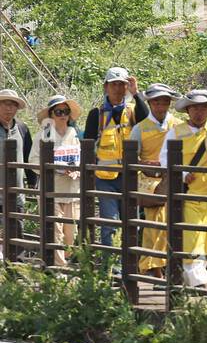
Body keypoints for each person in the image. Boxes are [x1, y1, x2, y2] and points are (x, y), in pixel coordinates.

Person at [160, 89, 207, 288]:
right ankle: (198, 280)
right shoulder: (176, 132)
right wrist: (182, 173)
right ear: (188, 110)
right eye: (195, 107)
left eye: (203, 107)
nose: (199, 112)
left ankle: (190, 278)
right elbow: (164, 158)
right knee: (191, 236)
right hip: (188, 193)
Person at [82, 67, 148, 250]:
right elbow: (87, 145)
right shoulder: (96, 114)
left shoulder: (134, 110)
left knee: (131, 222)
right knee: (109, 223)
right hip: (105, 177)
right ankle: (110, 268)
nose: (118, 88)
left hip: (130, 176)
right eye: (114, 84)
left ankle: (130, 266)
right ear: (106, 87)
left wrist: (136, 94)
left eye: (122, 84)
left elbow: (147, 119)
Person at [128, 84, 180, 283]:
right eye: (157, 101)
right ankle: (156, 271)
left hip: (175, 179)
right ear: (149, 103)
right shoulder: (139, 129)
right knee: (154, 225)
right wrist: (146, 164)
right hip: (150, 182)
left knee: (173, 225)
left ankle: (166, 268)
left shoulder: (178, 125)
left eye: (165, 101)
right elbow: (130, 158)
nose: (161, 105)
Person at [37, 94, 82, 267]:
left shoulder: (75, 133)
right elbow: (33, 160)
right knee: (55, 232)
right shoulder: (43, 135)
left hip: (72, 189)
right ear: (51, 115)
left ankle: (59, 262)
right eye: (58, 111)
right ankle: (58, 269)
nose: (62, 114)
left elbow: (81, 158)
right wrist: (56, 168)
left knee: (71, 233)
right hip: (52, 189)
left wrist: (76, 170)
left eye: (65, 111)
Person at [0, 90, 36, 258]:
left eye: (13, 105)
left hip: (17, 189)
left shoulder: (21, 127)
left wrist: (31, 180)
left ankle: (16, 268)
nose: (9, 108)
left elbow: (28, 156)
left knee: (17, 228)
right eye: (5, 104)